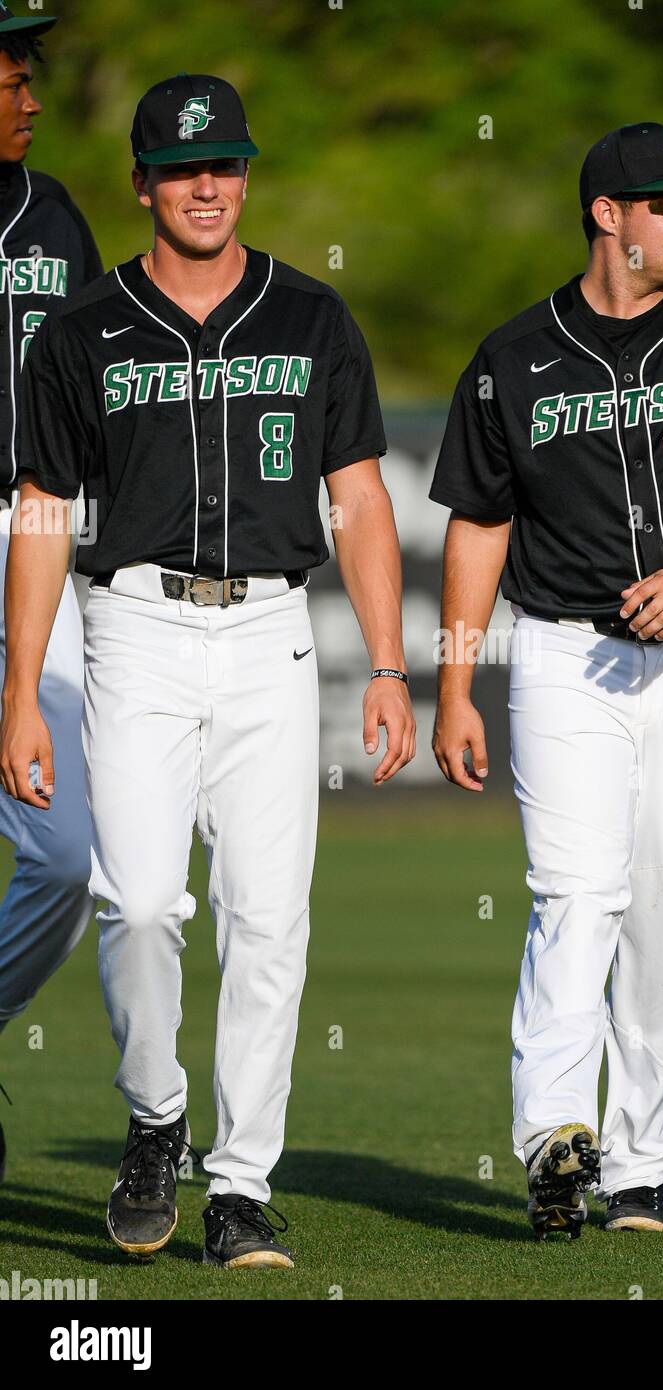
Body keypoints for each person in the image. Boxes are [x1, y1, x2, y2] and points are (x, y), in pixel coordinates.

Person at [0, 73, 415, 1268]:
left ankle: (239, 1185)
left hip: (274, 632)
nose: (206, 184)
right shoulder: (83, 330)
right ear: (142, 182)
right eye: (183, 167)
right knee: (134, 903)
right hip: (133, 624)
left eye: (224, 163)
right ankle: (155, 1115)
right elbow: (41, 509)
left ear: (246, 174)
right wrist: (23, 688)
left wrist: (389, 665)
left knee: (267, 921)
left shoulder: (312, 316)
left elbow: (360, 499)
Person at [430, 122, 663, 1239]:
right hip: (564, 654)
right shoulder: (514, 356)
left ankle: (642, 1165)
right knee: (575, 891)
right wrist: (456, 684)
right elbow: (478, 525)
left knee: (659, 914)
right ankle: (557, 1132)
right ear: (608, 215)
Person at [0, 0, 102, 1183]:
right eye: (11, 72)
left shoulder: (56, 216)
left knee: (68, 851)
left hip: (32, 535)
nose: (31, 96)